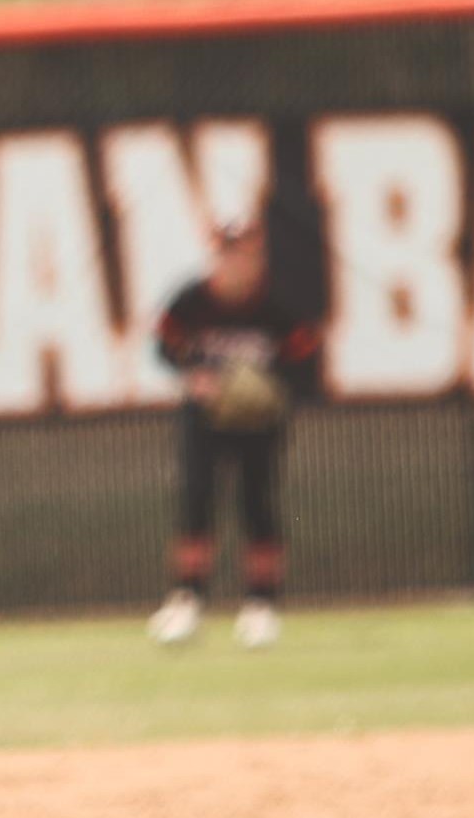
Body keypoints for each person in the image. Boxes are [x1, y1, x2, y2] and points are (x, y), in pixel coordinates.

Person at [147, 219, 319, 649]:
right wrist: (194, 375)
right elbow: (164, 345)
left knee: (257, 504)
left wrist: (273, 387)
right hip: (204, 419)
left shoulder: (273, 304)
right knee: (197, 499)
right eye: (226, 250)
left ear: (254, 254)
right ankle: (187, 599)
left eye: (241, 250)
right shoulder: (193, 299)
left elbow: (304, 356)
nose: (233, 259)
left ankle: (261, 604)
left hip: (258, 423)